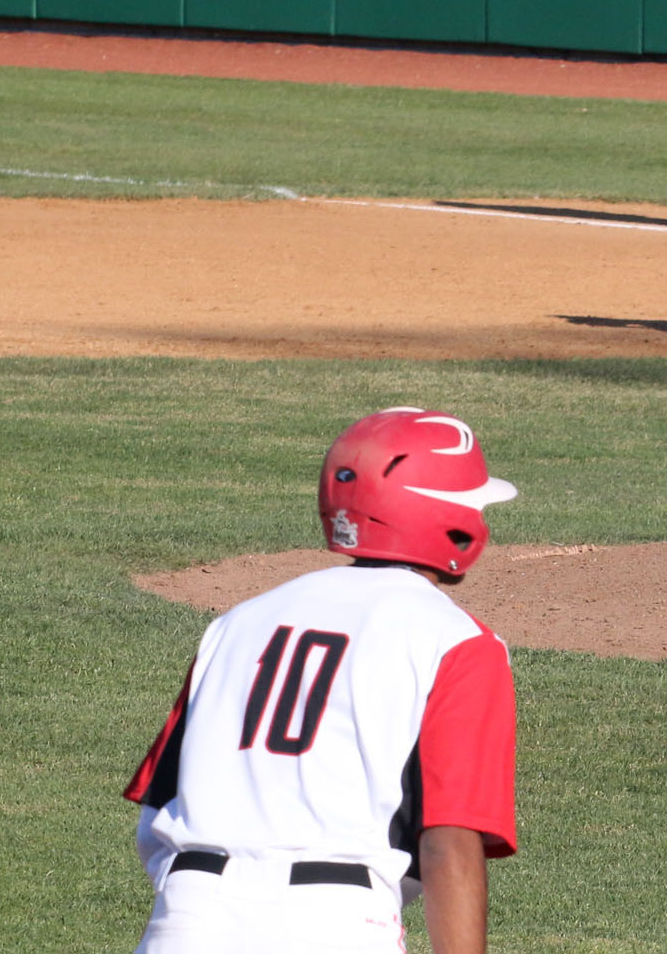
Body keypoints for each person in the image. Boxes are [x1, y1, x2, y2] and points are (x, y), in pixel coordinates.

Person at [124, 407, 521, 954]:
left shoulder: (238, 622)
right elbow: (449, 843)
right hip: (333, 925)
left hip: (188, 918)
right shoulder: (457, 641)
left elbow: (156, 816)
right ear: (447, 518)